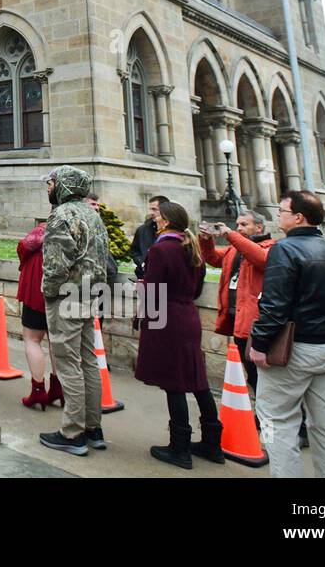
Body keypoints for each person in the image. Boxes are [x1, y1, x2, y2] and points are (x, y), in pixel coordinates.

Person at [249, 191, 325, 478]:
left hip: (294, 350)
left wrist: (259, 343)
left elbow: (274, 305)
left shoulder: (285, 250)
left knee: (276, 421)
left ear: (298, 217)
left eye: (282, 211)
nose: (278, 215)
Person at [137, 201, 222, 469]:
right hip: (188, 315)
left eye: (157, 215)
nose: (154, 218)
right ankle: (211, 442)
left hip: (168, 319)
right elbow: (196, 289)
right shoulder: (190, 245)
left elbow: (153, 292)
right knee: (197, 379)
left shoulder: (162, 249)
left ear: (165, 221)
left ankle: (180, 448)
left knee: (174, 382)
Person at [38, 166, 111, 457]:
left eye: (51, 183)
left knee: (68, 363)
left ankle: (72, 433)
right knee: (88, 361)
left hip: (66, 297)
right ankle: (93, 428)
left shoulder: (62, 215)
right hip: (90, 294)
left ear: (64, 186)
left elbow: (56, 263)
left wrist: (49, 290)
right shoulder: (93, 215)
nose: (48, 188)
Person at [198, 212, 274, 392]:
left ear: (259, 227)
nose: (239, 228)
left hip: (257, 324)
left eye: (244, 224)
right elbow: (214, 258)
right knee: (253, 376)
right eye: (237, 225)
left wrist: (231, 235)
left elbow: (260, 258)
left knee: (266, 378)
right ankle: (263, 415)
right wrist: (206, 239)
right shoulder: (234, 249)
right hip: (238, 322)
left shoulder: (270, 247)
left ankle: (274, 417)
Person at [16, 221, 59, 409]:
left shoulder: (41, 231)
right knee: (57, 341)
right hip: (68, 292)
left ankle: (38, 391)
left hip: (38, 290)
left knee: (32, 339)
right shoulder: (81, 228)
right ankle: (59, 389)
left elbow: (23, 247)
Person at [129, 195, 168, 277]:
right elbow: (134, 250)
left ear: (165, 210)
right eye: (150, 209)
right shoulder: (142, 229)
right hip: (144, 276)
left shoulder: (173, 232)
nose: (151, 213)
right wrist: (141, 262)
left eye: (154, 209)